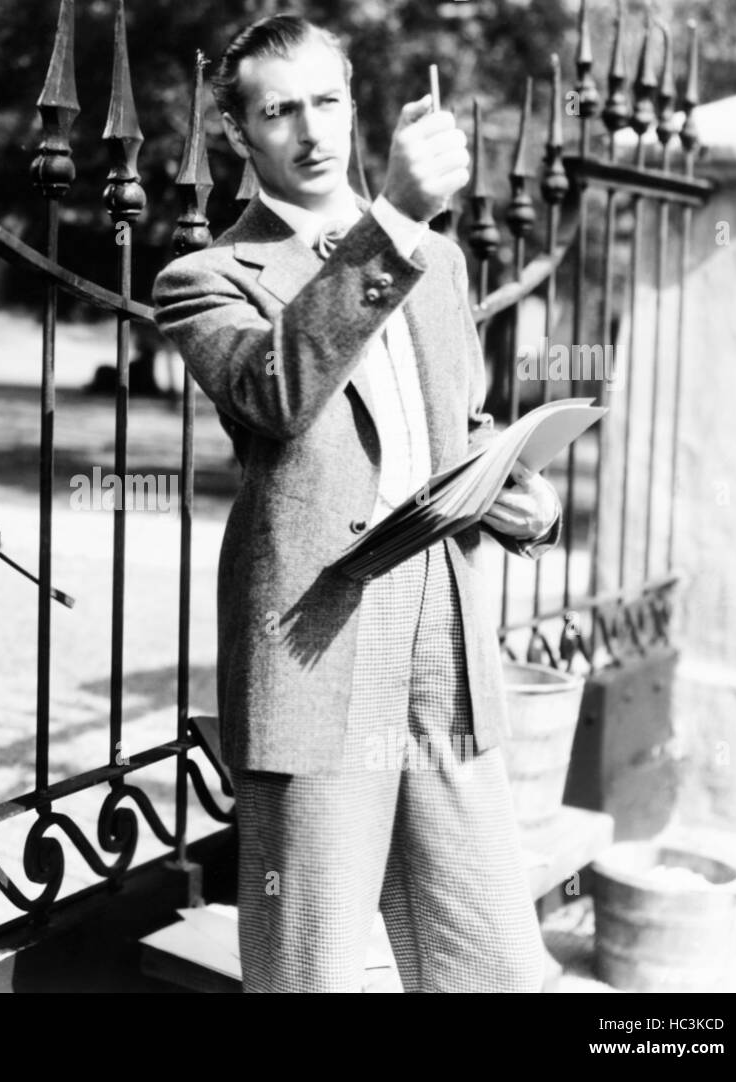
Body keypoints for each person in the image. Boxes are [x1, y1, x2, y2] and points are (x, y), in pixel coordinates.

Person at [152, 15, 562, 992]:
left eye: (326, 100)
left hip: (438, 621)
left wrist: (519, 497)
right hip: (317, 633)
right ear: (238, 134)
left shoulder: (441, 261)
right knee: (310, 963)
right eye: (277, 110)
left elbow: (455, 426)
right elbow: (276, 394)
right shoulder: (204, 276)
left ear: (354, 103)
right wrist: (394, 224)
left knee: (493, 956)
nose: (309, 129)